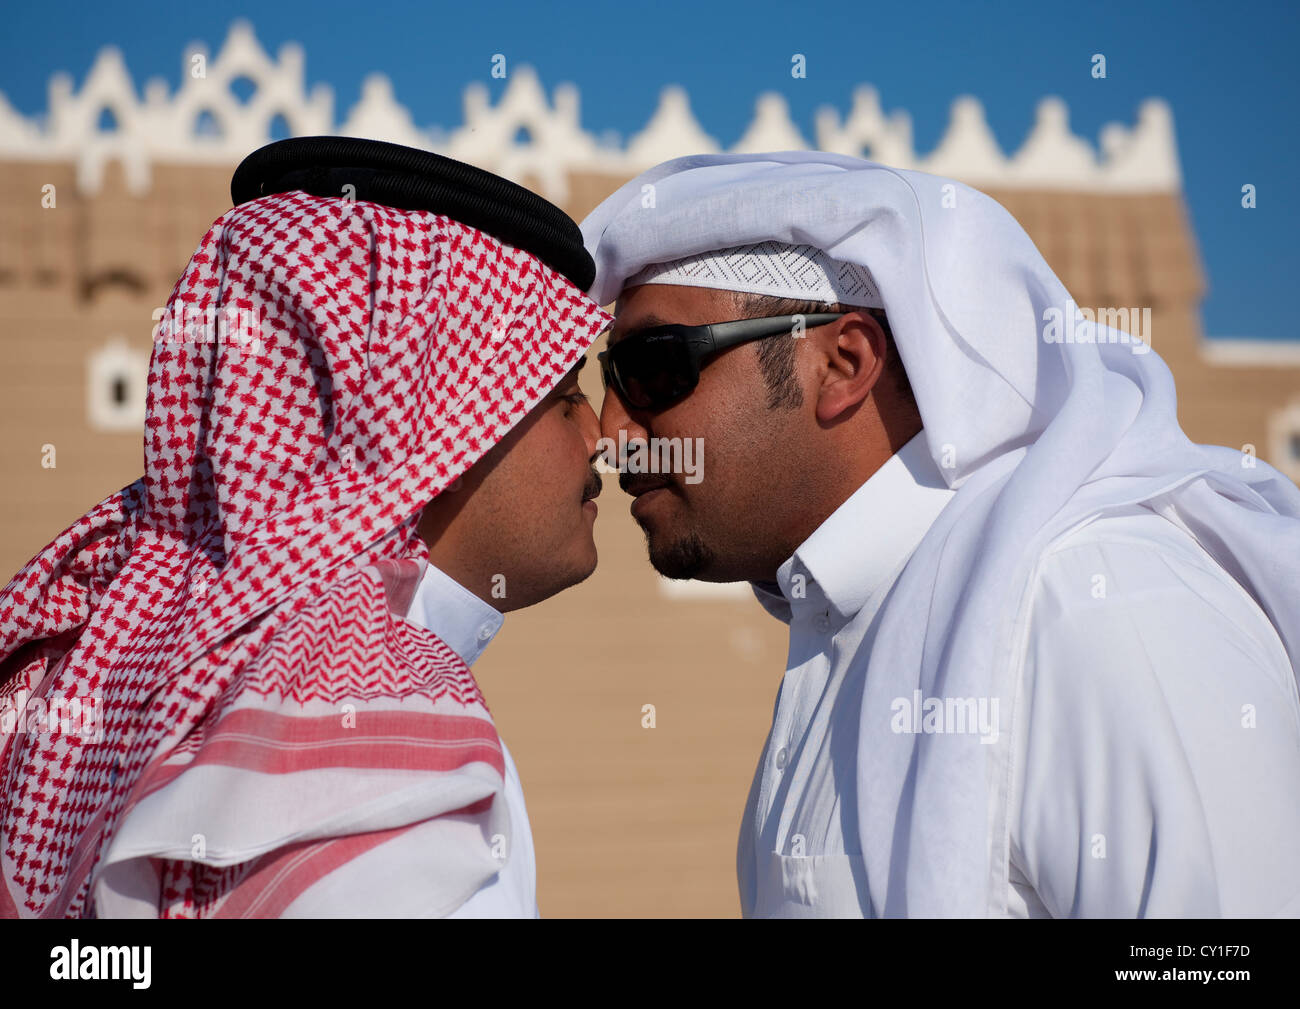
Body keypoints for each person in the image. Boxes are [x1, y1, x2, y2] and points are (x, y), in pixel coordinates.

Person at [581, 151, 1300, 917]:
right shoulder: (839, 626)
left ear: (844, 362)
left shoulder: (1090, 604)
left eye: (652, 370)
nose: (613, 432)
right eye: (606, 380)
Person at [0, 137, 609, 918]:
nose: (600, 436)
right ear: (438, 425)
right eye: (563, 394)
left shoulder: (98, 651)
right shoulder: (380, 764)